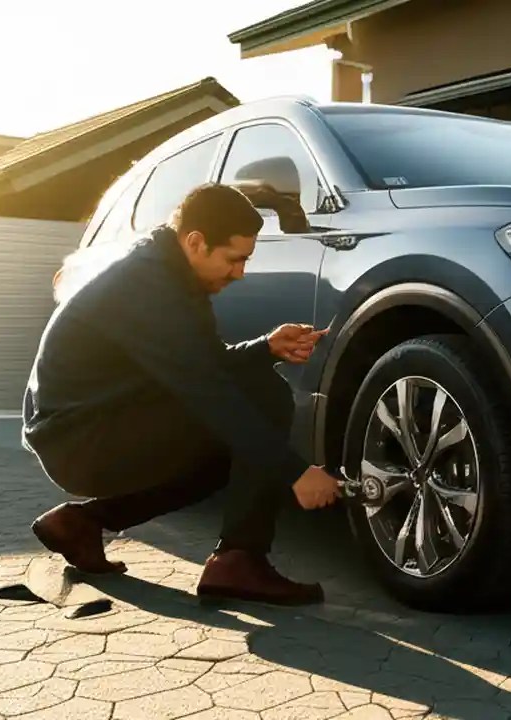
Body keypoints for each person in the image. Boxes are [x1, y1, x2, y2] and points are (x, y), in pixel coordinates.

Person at [22, 183, 339, 607]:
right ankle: (239, 561)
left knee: (230, 453)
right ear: (196, 242)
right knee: (264, 395)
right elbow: (210, 392)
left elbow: (201, 364)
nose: (240, 272)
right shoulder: (150, 286)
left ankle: (84, 523)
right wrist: (297, 473)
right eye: (234, 259)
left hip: (88, 426)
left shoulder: (169, 271)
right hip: (77, 438)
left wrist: (267, 347)